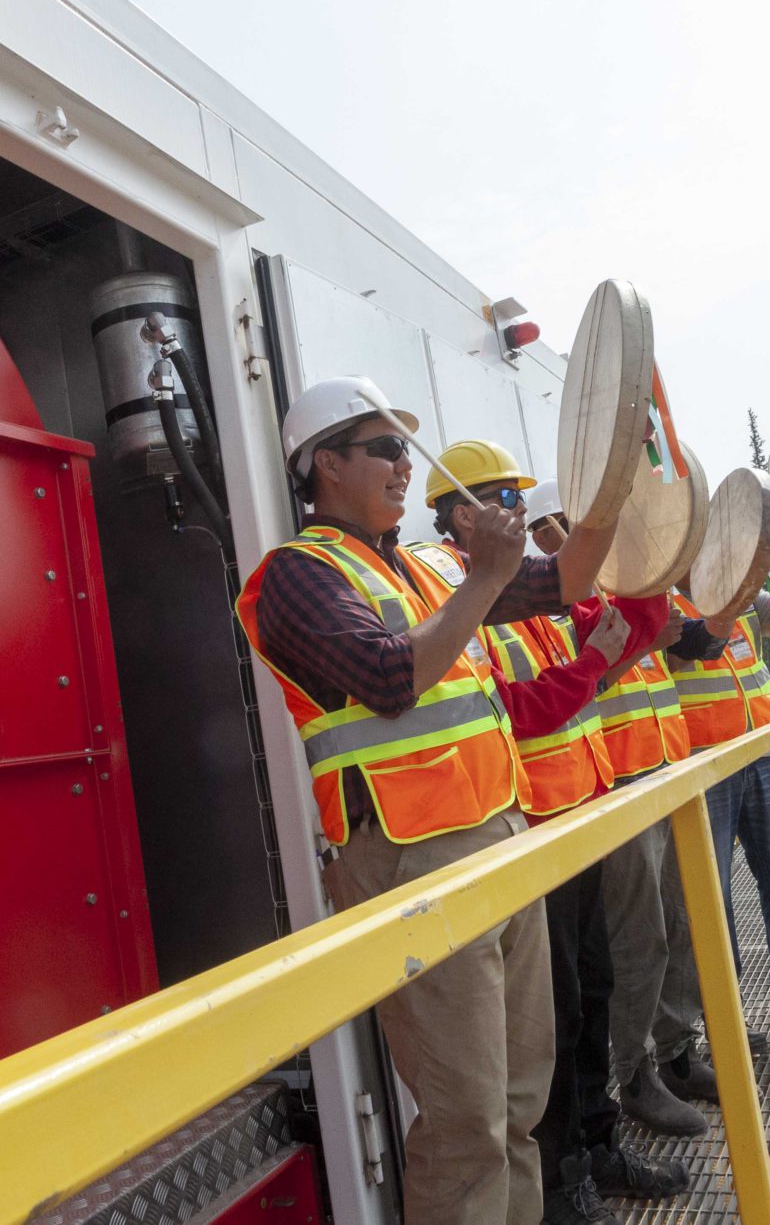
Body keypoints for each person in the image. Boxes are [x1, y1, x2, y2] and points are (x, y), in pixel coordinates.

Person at [235, 379, 618, 1225]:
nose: (406, 466)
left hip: (497, 838)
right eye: (386, 448)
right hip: (413, 861)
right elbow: (389, 679)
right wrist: (484, 578)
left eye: (407, 449)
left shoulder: (415, 568)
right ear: (325, 463)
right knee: (465, 1126)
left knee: (518, 1106)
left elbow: (570, 579)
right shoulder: (296, 575)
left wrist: (612, 481)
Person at [411, 450, 690, 1223]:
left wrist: (650, 565)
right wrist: (590, 669)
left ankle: (596, 1145)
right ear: (462, 515)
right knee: (557, 1018)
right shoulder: (458, 595)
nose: (528, 518)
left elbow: (630, 634)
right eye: (506, 500)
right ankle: (564, 1184)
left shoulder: (529, 589)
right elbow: (516, 708)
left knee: (593, 992)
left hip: (582, 815)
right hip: (533, 826)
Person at [523, 488, 730, 1139]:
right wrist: (634, 648)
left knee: (679, 922)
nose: (583, 540)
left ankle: (673, 1054)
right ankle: (635, 1073)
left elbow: (685, 649)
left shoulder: (603, 599)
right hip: (615, 785)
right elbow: (586, 685)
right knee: (638, 941)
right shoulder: (561, 609)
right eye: (563, 527)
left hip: (659, 771)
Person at [669, 566, 770, 1027]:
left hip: (760, 754)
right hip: (701, 765)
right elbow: (674, 662)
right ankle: (727, 1018)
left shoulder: (744, 600)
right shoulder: (661, 607)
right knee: (712, 898)